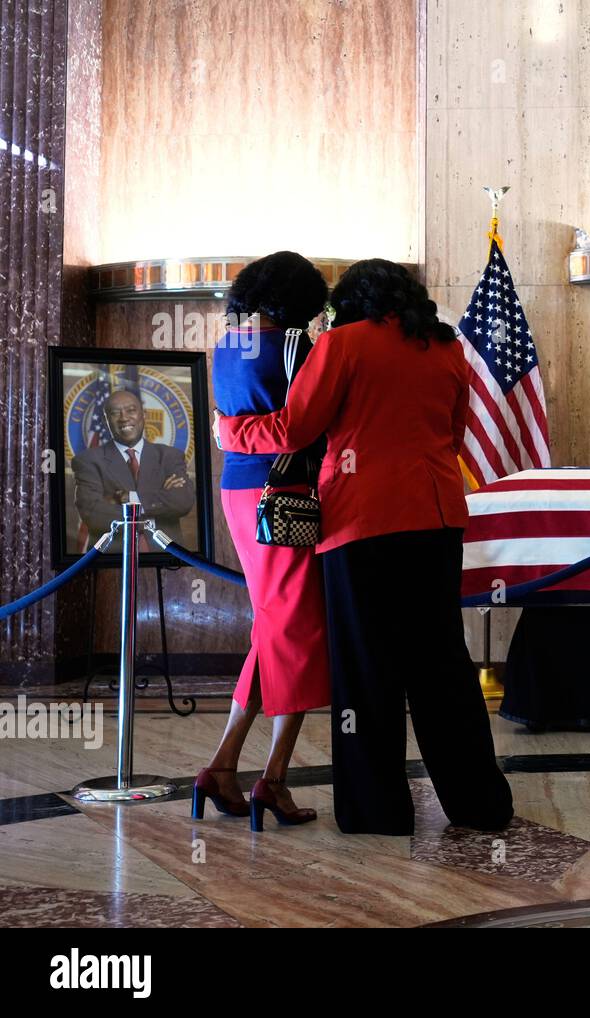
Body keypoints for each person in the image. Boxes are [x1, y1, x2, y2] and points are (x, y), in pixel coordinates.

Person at [214, 258, 513, 836]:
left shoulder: (341, 345)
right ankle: (479, 803)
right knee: (444, 666)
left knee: (366, 670)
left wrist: (232, 431)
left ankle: (377, 810)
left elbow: (296, 429)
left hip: (360, 523)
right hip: (436, 517)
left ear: (353, 300)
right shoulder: (448, 348)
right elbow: (453, 438)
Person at [193, 251, 331, 832]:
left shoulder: (228, 344)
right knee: (297, 631)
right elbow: (305, 425)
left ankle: (223, 767)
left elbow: (230, 424)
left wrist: (231, 434)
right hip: (288, 494)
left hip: (239, 491)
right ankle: (272, 780)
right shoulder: (297, 345)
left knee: (271, 626)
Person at [72, 388, 194, 541]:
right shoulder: (88, 460)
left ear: (144, 415)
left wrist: (128, 497)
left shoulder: (170, 456)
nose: (124, 418)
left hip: (164, 556)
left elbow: (182, 501)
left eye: (131, 410)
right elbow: (94, 515)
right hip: (114, 559)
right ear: (105, 421)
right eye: (116, 413)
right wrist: (151, 518)